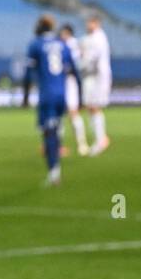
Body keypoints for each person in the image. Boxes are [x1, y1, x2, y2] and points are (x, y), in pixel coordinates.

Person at [23, 14, 81, 187]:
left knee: (48, 132)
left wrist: (25, 97)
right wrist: (81, 97)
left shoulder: (36, 44)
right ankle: (56, 162)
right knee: (55, 128)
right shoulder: (63, 44)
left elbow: (28, 75)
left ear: (41, 26)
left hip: (47, 95)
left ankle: (54, 173)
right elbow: (75, 72)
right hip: (62, 94)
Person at [81, 15, 112, 155]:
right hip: (91, 76)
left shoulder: (99, 38)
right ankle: (100, 138)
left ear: (97, 23)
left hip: (98, 77)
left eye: (91, 22)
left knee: (94, 106)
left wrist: (81, 63)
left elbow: (92, 57)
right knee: (90, 106)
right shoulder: (91, 38)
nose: (88, 25)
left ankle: (101, 140)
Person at [59, 24, 89, 157]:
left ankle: (82, 144)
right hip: (64, 81)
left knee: (72, 113)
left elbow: (75, 65)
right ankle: (60, 146)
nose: (62, 36)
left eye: (64, 33)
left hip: (69, 81)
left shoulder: (71, 44)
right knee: (63, 114)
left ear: (68, 33)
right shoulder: (67, 45)